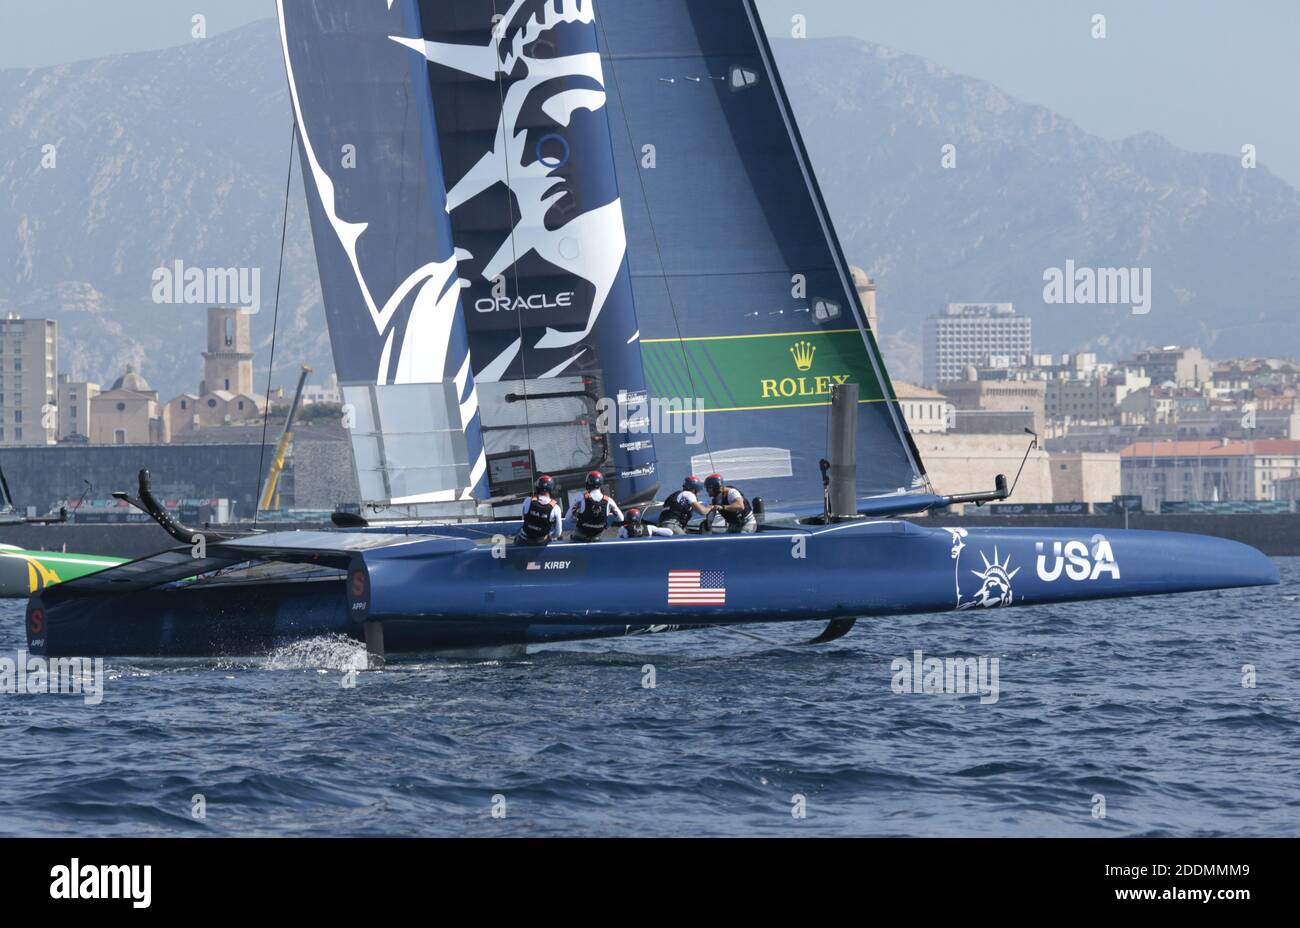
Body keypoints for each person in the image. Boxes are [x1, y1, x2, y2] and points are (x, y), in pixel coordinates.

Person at [569, 470, 623, 542]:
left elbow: (567, 518)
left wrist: (576, 520)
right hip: (596, 537)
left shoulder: (581, 497)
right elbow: (621, 519)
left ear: (588, 483)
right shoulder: (609, 501)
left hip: (580, 537)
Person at [514, 474, 563, 546]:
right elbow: (558, 533)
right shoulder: (556, 508)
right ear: (551, 489)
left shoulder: (528, 500)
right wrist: (550, 536)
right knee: (560, 538)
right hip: (541, 542)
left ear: (537, 487)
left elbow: (524, 519)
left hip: (525, 540)